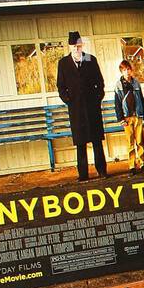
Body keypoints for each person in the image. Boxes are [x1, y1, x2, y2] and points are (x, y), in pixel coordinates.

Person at [56, 31, 106, 181]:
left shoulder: (91, 59)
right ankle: (83, 174)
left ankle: (102, 171)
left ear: (82, 45)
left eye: (78, 45)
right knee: (80, 143)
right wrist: (69, 100)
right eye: (73, 46)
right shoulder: (63, 63)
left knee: (97, 141)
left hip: (92, 108)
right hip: (76, 109)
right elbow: (60, 86)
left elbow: (100, 82)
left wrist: (97, 98)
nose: (76, 49)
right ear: (69, 46)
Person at [113, 60, 144, 171]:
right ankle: (132, 165)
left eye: (128, 69)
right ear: (121, 72)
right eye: (124, 70)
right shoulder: (118, 85)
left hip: (138, 116)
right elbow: (117, 103)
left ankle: (142, 164)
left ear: (131, 70)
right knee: (130, 142)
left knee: (140, 141)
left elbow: (141, 99)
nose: (127, 72)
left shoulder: (136, 83)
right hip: (127, 117)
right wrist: (120, 119)